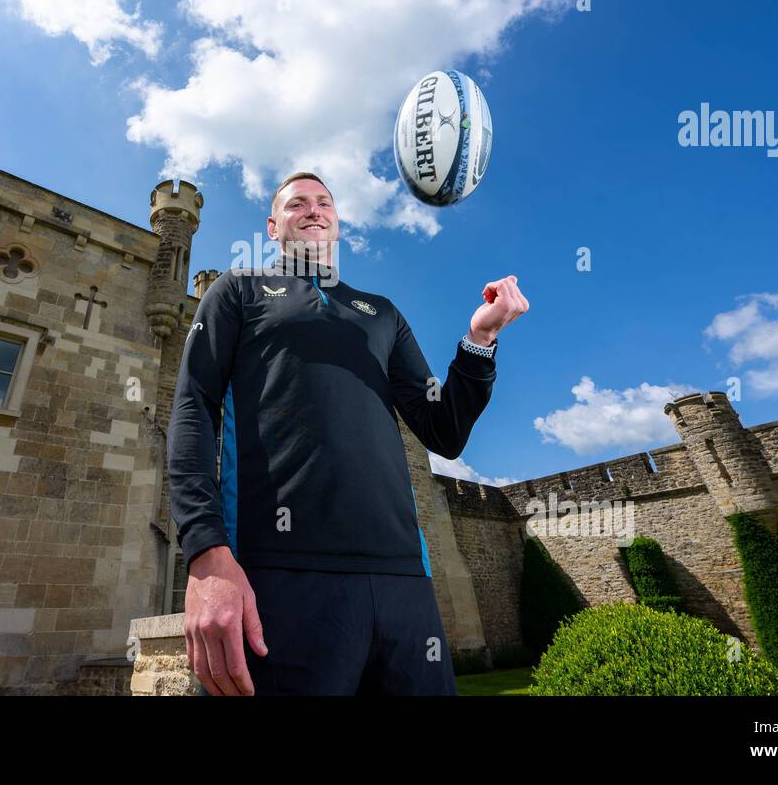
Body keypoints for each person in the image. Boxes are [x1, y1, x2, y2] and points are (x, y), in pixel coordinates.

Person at [167, 172, 529, 695]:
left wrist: (481, 337)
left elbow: (443, 429)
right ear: (273, 226)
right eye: (297, 204)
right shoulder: (236, 293)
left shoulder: (382, 313)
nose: (313, 210)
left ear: (337, 222)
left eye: (324, 202)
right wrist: (206, 554)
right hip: (279, 574)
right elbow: (192, 409)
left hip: (404, 579)